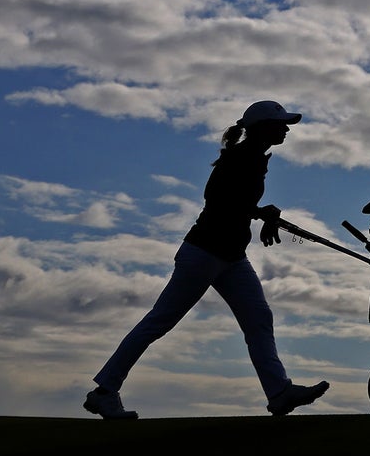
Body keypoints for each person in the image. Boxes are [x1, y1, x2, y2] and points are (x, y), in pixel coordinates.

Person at [83, 100, 329, 419]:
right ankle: (104, 392)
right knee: (159, 322)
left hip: (231, 256)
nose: (286, 129)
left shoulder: (252, 158)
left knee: (258, 320)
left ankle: (279, 392)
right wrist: (261, 212)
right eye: (280, 124)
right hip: (203, 253)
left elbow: (233, 202)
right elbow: (217, 200)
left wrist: (261, 213)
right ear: (262, 127)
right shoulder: (239, 159)